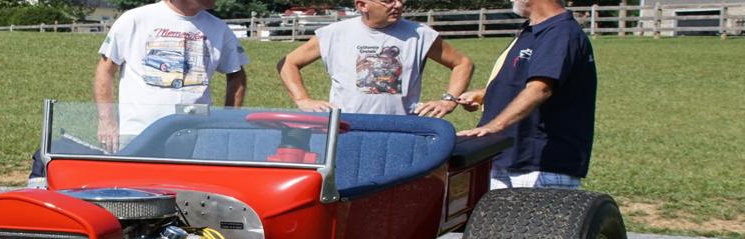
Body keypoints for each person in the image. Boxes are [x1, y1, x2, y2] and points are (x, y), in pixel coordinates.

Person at [456, 0, 596, 189]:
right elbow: (522, 81)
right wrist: (485, 94)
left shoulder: (561, 33)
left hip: (538, 166)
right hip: (508, 159)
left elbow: (541, 88)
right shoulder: (532, 31)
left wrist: (493, 127)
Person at [95, 0, 250, 151]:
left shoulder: (219, 28)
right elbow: (105, 70)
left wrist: (228, 120)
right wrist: (106, 120)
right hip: (138, 132)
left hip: (195, 136)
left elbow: (236, 75)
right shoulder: (135, 19)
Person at [278, 0, 473, 118]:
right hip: (347, 128)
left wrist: (448, 101)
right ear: (362, 5)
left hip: (402, 128)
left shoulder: (420, 34)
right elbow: (288, 63)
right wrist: (303, 99)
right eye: (388, 1)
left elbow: (462, 63)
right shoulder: (334, 34)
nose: (398, 4)